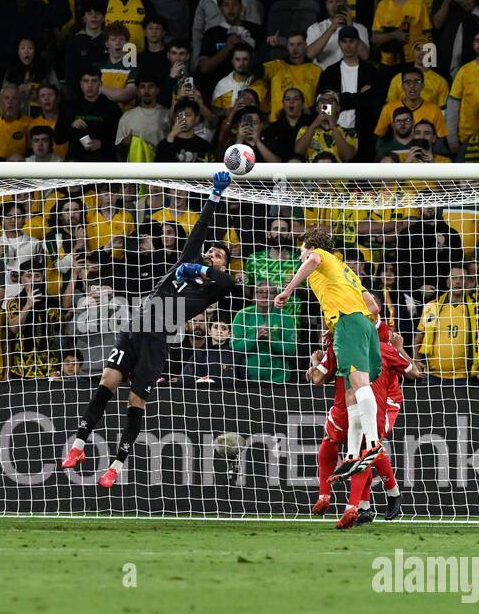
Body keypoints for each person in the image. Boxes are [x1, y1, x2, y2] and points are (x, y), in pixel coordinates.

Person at [62, 171, 237, 488]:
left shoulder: (215, 285)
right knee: (106, 381)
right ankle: (78, 446)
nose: (212, 254)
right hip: (136, 326)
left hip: (158, 338)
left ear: (224, 264)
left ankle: (116, 465)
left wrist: (198, 269)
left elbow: (229, 282)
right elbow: (199, 229)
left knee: (135, 401)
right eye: (211, 252)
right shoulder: (187, 258)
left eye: (219, 255)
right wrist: (214, 194)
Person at [274, 226, 382, 479]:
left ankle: (374, 444)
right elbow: (373, 306)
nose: (301, 257)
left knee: (358, 382)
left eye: (301, 252)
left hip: (349, 323)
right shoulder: (346, 271)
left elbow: (312, 259)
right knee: (350, 392)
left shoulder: (318, 255)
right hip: (364, 326)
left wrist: (288, 291)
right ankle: (353, 454)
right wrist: (339, 328)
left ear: (310, 247)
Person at [310, 321, 417, 527]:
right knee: (350, 446)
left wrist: (400, 350)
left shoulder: (382, 334)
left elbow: (414, 373)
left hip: (385, 399)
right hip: (350, 401)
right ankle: (360, 507)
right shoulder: (341, 339)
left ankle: (391, 493)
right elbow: (319, 377)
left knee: (368, 446)